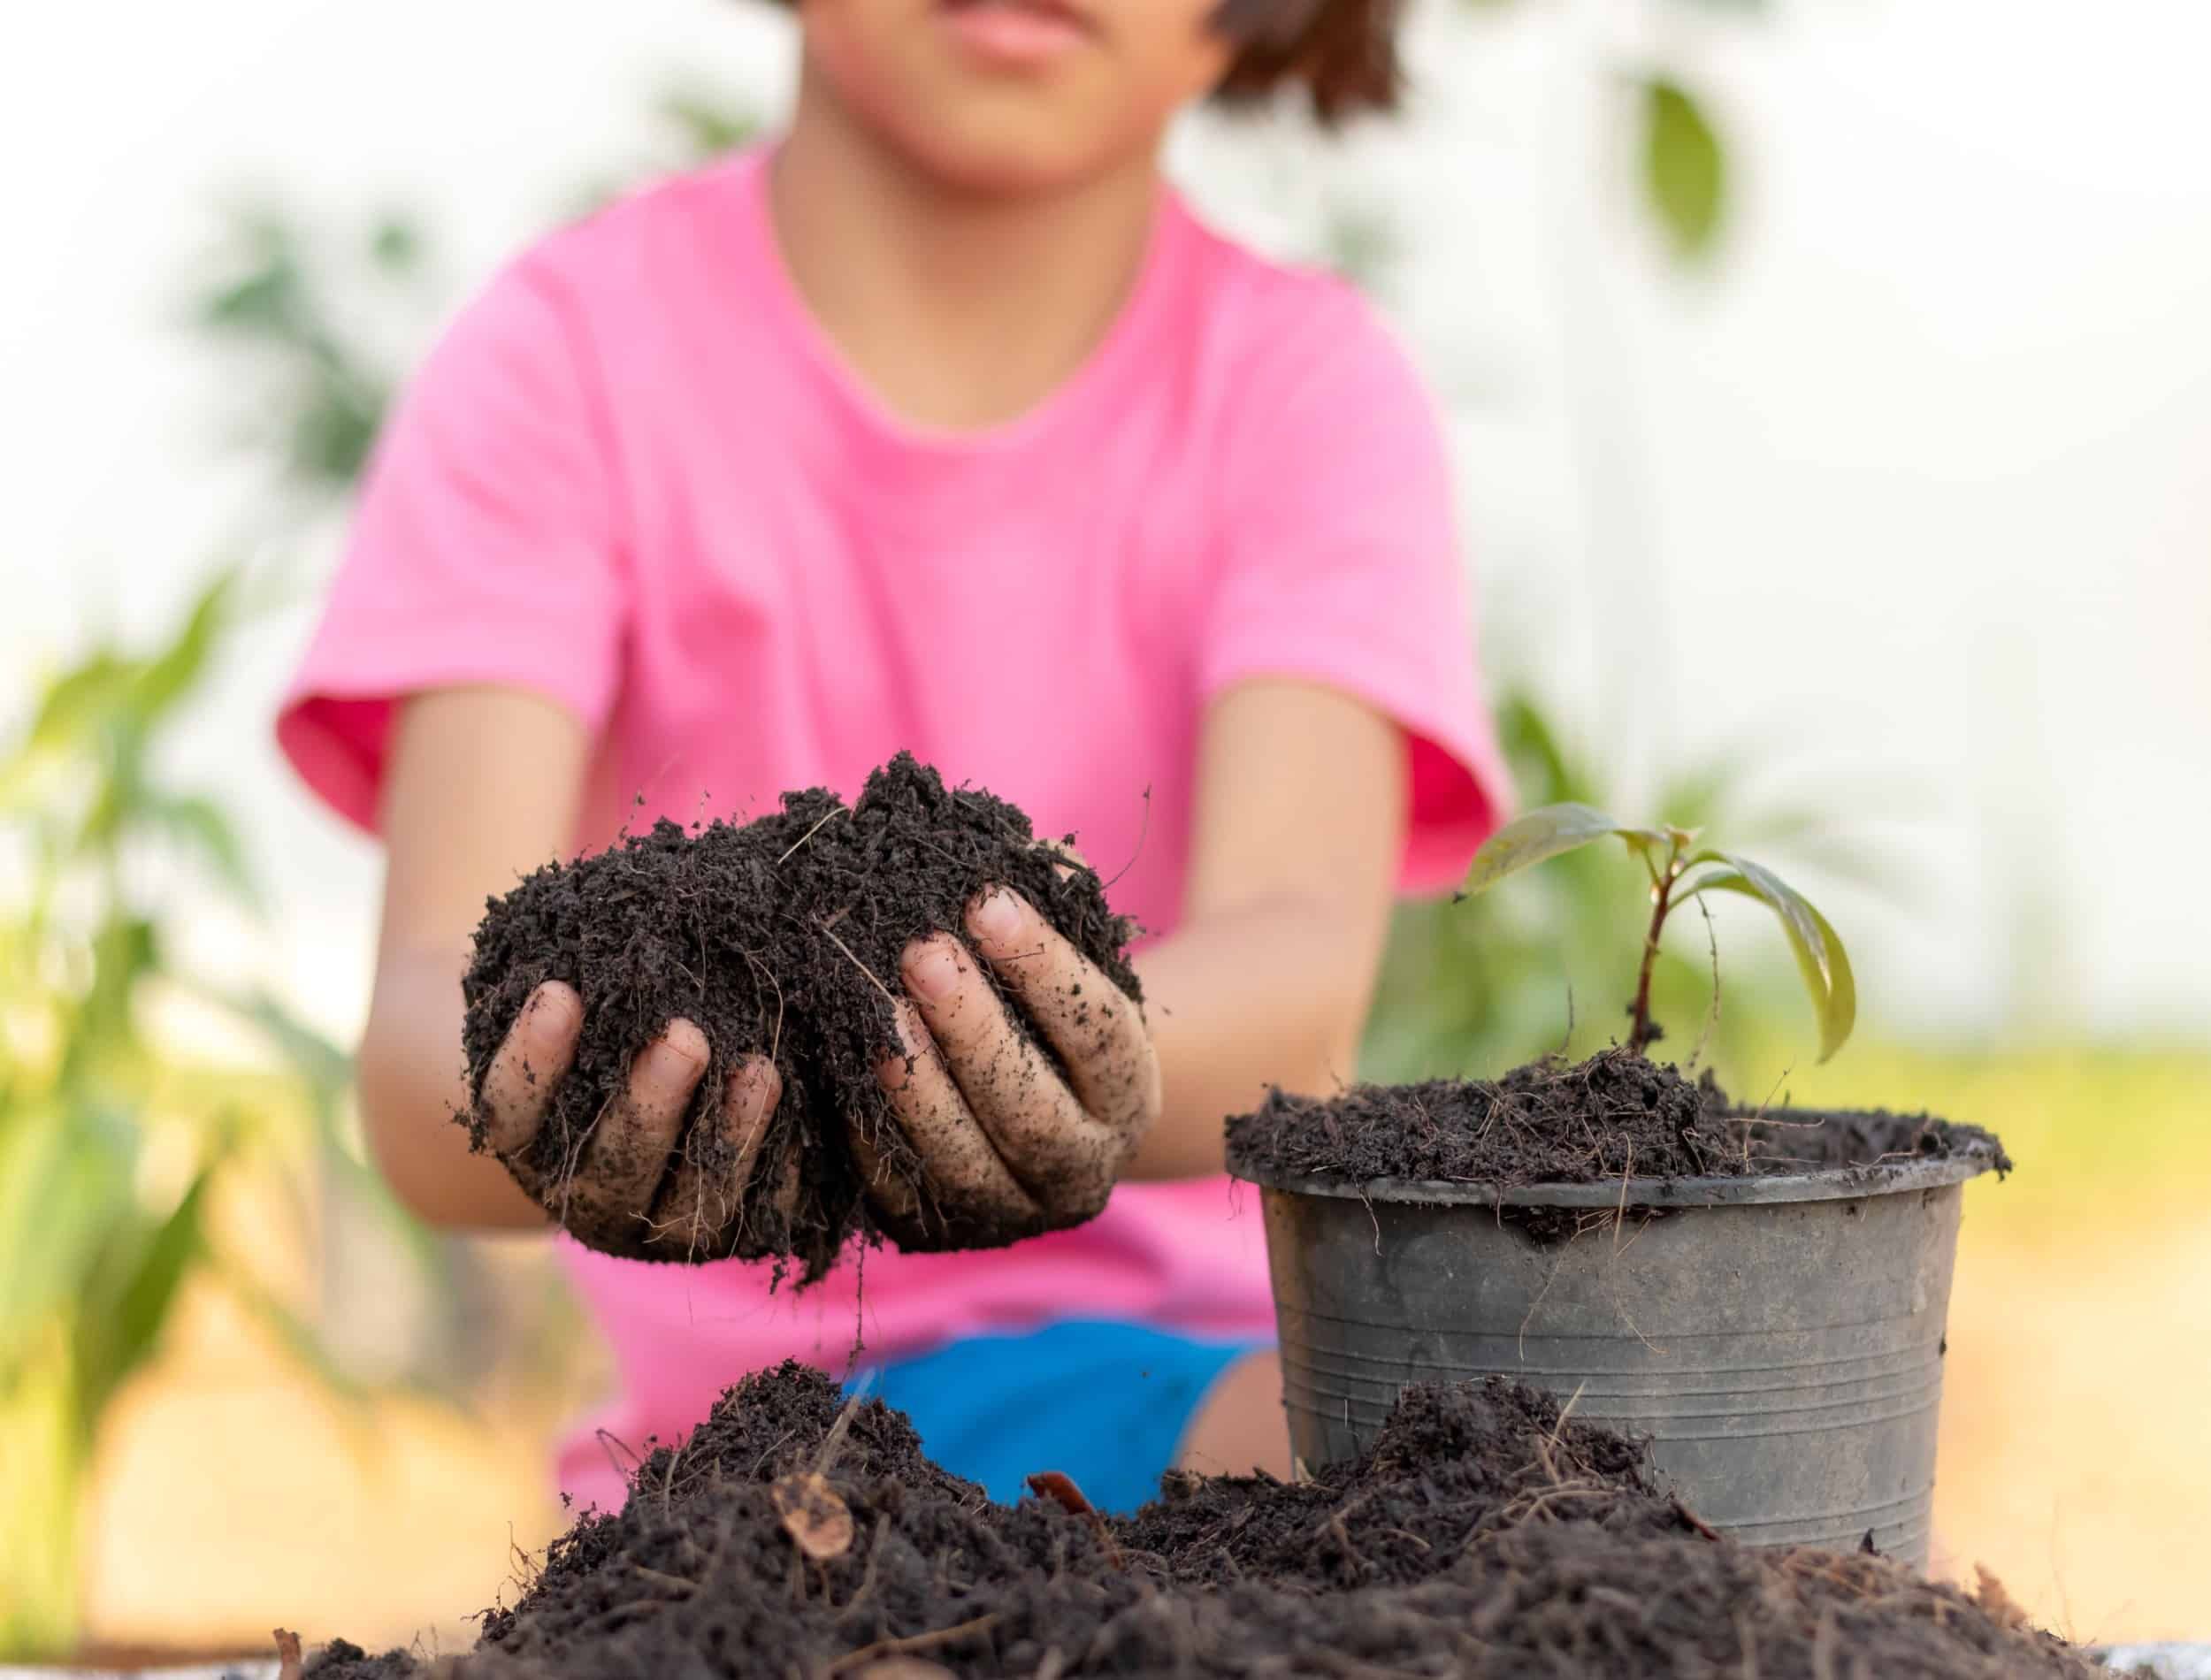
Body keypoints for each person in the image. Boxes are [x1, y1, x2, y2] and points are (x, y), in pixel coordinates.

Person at [277, 0, 1509, 1516]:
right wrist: (667, 1091)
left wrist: (1042, 1070)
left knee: (1463, 1432)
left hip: (1194, 1375)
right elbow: (422, 1051)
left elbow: (1296, 999)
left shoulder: (1307, 395)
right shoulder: (566, 364)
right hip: (764, 1459)